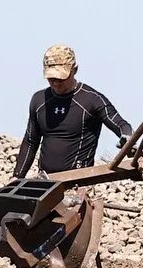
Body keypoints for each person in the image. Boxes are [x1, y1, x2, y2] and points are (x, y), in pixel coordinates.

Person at [11, 43, 132, 179]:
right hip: (46, 183)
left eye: (61, 78)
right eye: (51, 78)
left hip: (78, 182)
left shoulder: (91, 99)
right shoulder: (39, 100)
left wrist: (127, 138)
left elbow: (120, 124)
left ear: (75, 70)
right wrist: (17, 177)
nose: (56, 83)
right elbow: (31, 141)